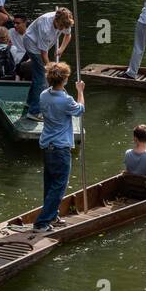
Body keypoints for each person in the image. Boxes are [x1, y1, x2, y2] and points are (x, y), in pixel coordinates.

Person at [32, 62, 86, 233]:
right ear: (64, 79)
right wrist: (80, 91)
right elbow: (80, 110)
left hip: (46, 145)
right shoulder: (66, 100)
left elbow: (60, 98)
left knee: (50, 183)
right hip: (60, 147)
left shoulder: (43, 95)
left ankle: (52, 215)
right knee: (59, 185)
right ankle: (41, 222)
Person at [22, 7, 75, 116]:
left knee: (39, 75)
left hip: (43, 46)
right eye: (60, 26)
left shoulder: (65, 21)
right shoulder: (45, 27)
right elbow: (43, 53)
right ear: (55, 20)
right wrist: (53, 70)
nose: (61, 29)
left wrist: (61, 49)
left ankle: (30, 102)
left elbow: (68, 35)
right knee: (42, 78)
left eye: (63, 27)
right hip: (32, 44)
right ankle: (34, 112)